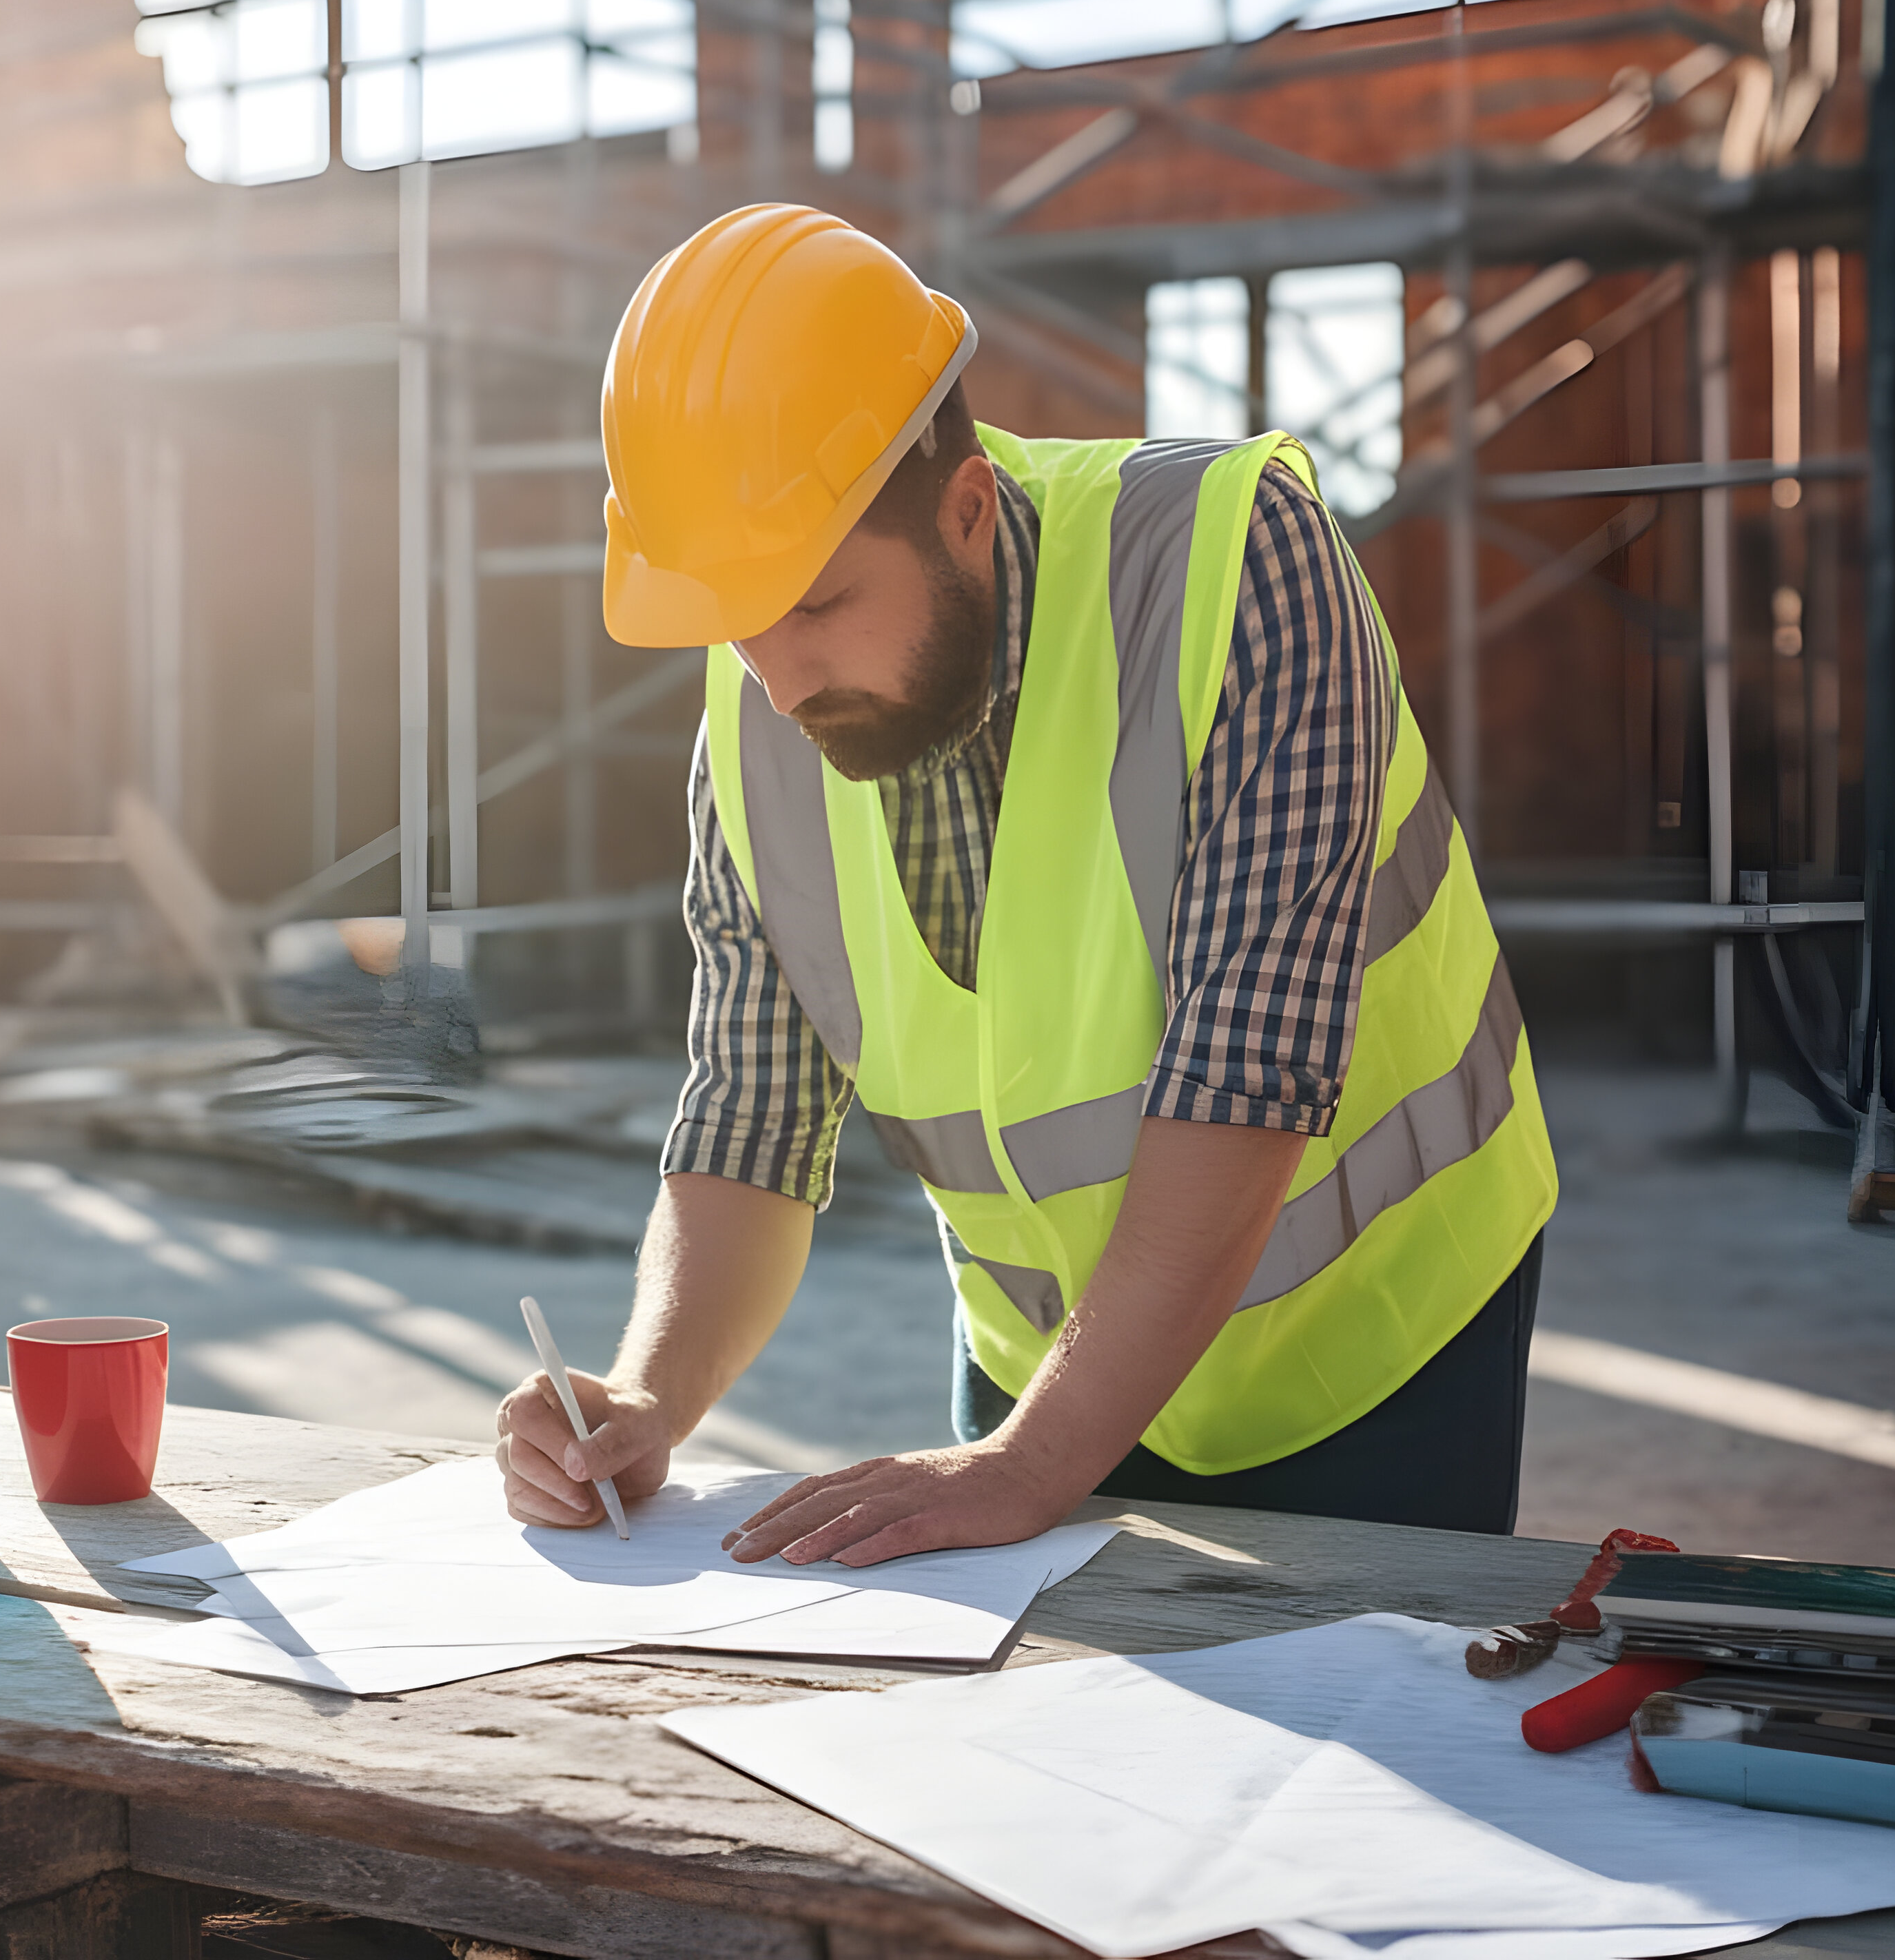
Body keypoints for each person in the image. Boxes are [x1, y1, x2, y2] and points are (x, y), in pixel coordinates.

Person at [493, 204, 1558, 1568]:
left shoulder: (1237, 570)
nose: (774, 676)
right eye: (732, 616)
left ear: (966, 508)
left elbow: (1246, 1073)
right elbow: (751, 1116)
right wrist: (648, 1389)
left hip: (1374, 1338)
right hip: (1039, 1358)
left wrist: (1024, 1467)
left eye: (816, 603)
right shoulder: (761, 706)